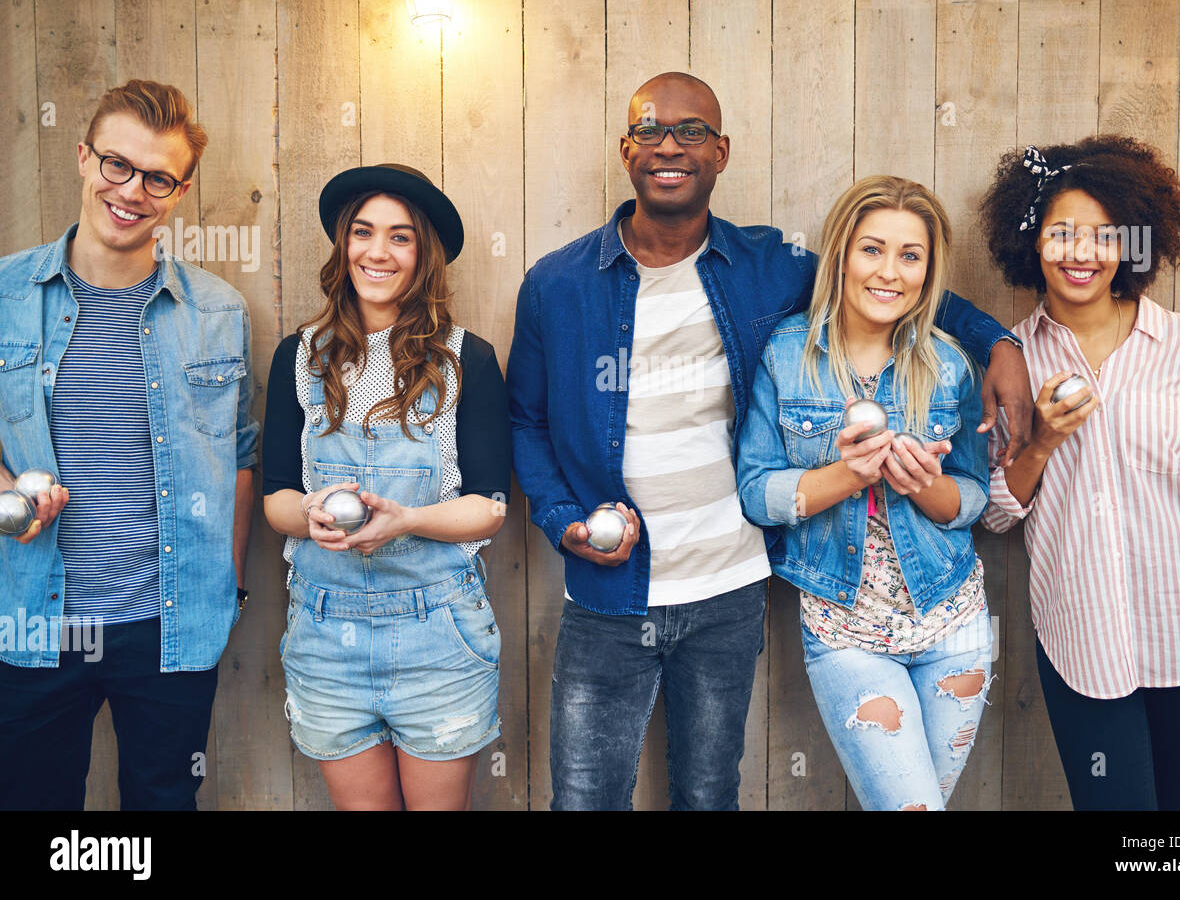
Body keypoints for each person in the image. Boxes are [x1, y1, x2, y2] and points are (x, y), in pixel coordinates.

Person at [507, 71, 1032, 810]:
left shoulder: (768, 265)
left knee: (709, 794)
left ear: (721, 152)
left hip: (728, 586)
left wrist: (1000, 341)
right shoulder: (557, 284)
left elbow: (891, 280)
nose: (669, 146)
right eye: (650, 129)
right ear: (626, 149)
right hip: (606, 590)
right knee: (585, 798)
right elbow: (525, 424)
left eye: (691, 132)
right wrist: (564, 521)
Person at [978, 135, 1180, 809]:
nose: (1080, 252)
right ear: (1031, 240)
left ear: (1131, 243)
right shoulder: (1012, 358)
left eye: (1102, 235)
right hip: (1082, 637)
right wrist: (1039, 442)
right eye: (1061, 232)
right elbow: (998, 512)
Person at [0, 79, 257, 809]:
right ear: (84, 158)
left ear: (177, 192)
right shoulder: (4, 294)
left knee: (163, 805)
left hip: (169, 622)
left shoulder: (217, 311)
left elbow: (238, 457)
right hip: (29, 620)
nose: (132, 190)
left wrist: (228, 585)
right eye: (117, 164)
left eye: (158, 177)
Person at [736, 175, 993, 810]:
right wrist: (848, 475)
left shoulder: (949, 364)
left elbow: (973, 498)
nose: (890, 272)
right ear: (842, 254)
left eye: (911, 256)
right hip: (845, 627)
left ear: (928, 271)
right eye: (872, 249)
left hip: (953, 621)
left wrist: (926, 487)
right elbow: (754, 492)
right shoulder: (786, 356)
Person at [261, 164, 510, 810]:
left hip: (437, 633)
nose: (378, 251)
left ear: (423, 254)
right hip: (325, 634)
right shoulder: (298, 356)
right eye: (363, 232)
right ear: (343, 244)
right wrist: (308, 511)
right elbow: (276, 495)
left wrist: (406, 520)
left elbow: (490, 506)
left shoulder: (467, 359)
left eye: (400, 237)